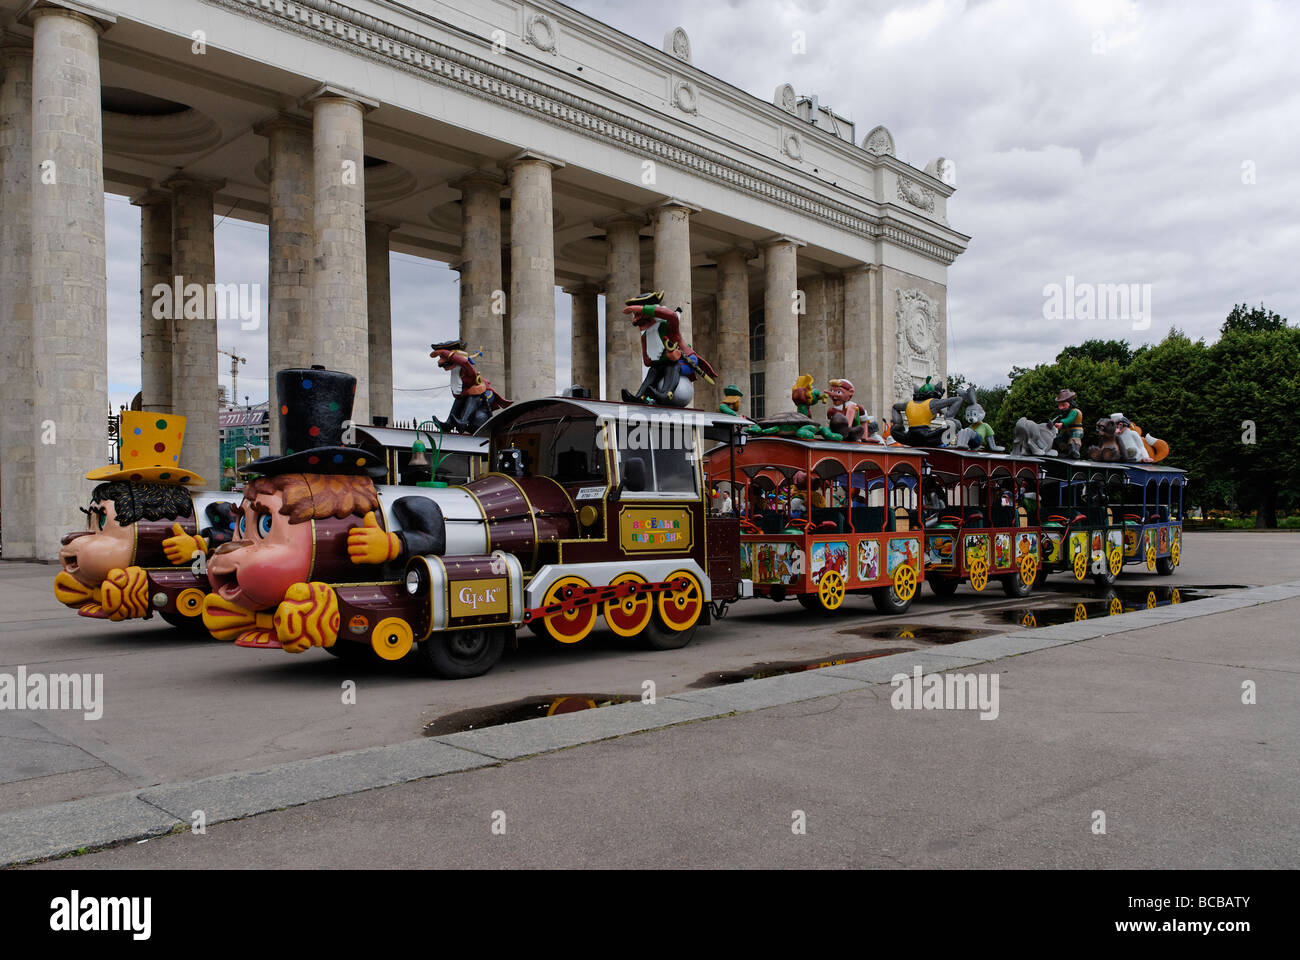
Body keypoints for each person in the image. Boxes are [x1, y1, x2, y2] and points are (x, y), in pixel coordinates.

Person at [1051, 389, 1084, 459]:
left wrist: (1062, 423)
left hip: (1076, 431)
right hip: (1066, 431)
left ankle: (1074, 453)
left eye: (1064, 405)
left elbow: (1070, 420)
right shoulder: (1064, 413)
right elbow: (1058, 419)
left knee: (1073, 441)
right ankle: (1061, 452)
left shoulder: (1074, 411)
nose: (1061, 408)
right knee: (1057, 439)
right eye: (1060, 405)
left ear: (1070, 403)